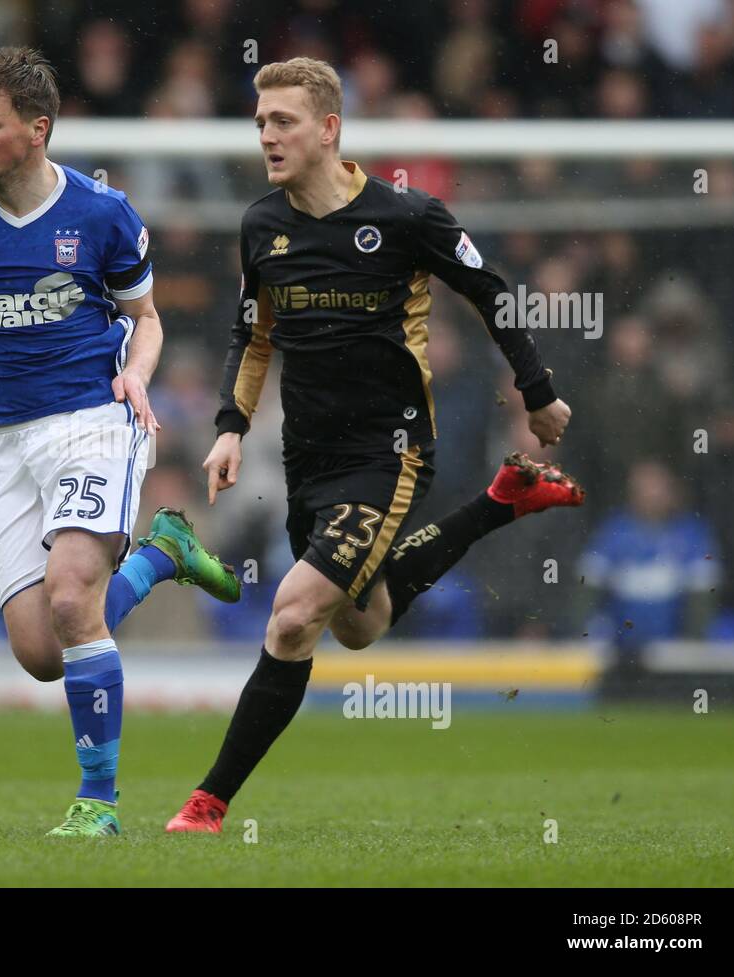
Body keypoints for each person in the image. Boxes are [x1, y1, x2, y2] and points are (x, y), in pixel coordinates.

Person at [166, 58, 584, 833]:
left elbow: (491, 289)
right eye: (260, 122)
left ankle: (207, 801)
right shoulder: (263, 224)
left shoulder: (406, 216)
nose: (267, 135)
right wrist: (231, 425)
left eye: (282, 121)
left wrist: (538, 391)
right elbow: (252, 337)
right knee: (359, 624)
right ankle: (499, 502)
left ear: (329, 130)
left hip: (390, 453)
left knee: (292, 618)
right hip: (308, 458)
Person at [0, 47, 239, 837]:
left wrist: (138, 374)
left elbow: (148, 318)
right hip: (6, 439)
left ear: (37, 128)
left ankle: (98, 803)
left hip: (95, 419)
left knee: (69, 598)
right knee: (40, 649)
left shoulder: (101, 213)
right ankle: (161, 556)